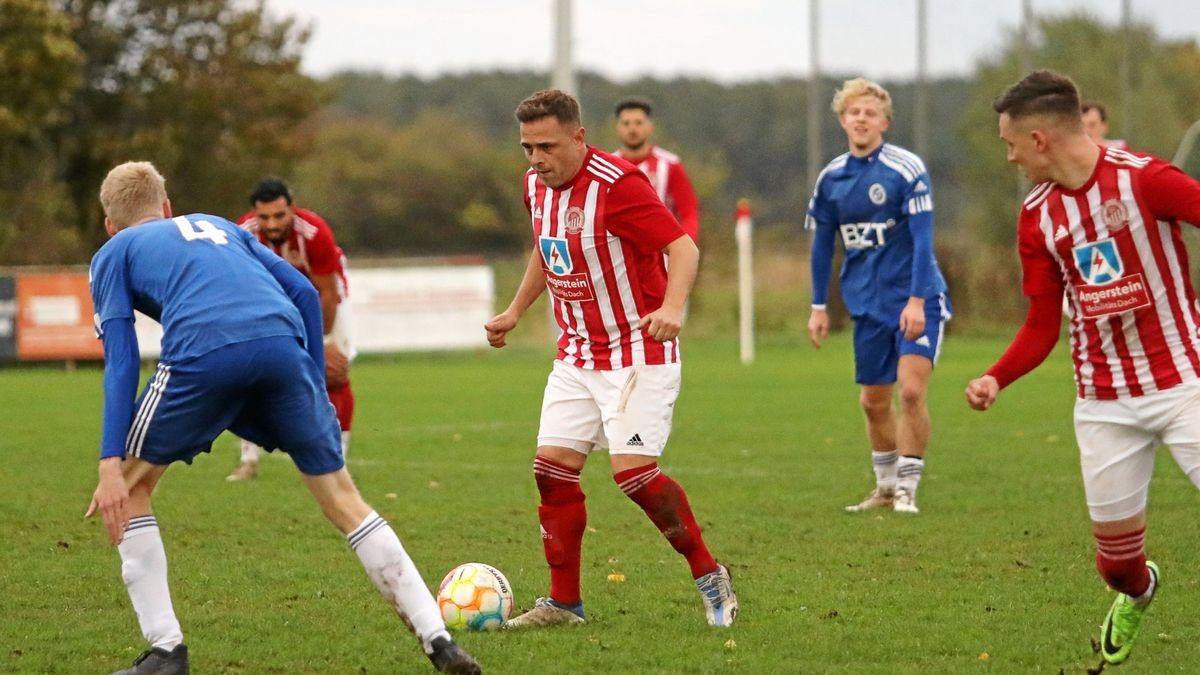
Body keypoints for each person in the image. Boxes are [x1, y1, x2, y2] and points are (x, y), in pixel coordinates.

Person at [86, 161, 479, 675]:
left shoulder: (112, 252)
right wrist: (314, 385)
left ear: (109, 224)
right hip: (283, 352)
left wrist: (110, 463)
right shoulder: (222, 226)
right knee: (343, 498)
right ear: (166, 208)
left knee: (130, 489)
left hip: (202, 354)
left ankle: (165, 653)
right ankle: (437, 638)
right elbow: (301, 293)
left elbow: (120, 359)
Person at [966, 70, 1200, 666]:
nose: (1009, 155)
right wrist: (997, 375)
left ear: (1040, 138)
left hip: (1184, 385)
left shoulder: (1145, 179)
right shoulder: (1037, 217)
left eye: (1010, 142)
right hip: (1104, 404)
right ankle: (1139, 591)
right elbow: (1043, 322)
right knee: (1117, 568)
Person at [484, 89, 737, 628]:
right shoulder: (535, 184)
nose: (536, 158)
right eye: (527, 147)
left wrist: (672, 306)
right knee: (551, 473)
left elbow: (683, 248)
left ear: (578, 136)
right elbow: (544, 248)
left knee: (635, 476)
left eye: (546, 146)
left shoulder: (618, 185)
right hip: (577, 351)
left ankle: (710, 575)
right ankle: (564, 605)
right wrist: (514, 311)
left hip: (636, 349)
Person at [806, 77, 952, 515]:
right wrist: (818, 306)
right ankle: (885, 488)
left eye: (870, 112)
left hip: (916, 299)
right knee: (873, 401)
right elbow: (821, 246)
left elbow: (924, 241)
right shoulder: (832, 179)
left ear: (884, 121)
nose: (862, 119)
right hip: (865, 305)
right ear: (843, 121)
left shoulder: (906, 169)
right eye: (854, 112)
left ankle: (908, 486)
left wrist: (915, 299)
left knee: (909, 392)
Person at [226, 178, 355, 481]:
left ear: (292, 209)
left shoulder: (314, 232)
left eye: (279, 215)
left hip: (327, 298)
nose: (271, 224)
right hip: (270, 301)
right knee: (249, 373)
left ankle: (338, 462)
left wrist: (321, 341)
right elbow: (242, 292)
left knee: (334, 371)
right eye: (264, 217)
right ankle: (248, 460)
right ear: (254, 214)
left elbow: (326, 292)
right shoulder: (242, 234)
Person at [612, 97, 700, 244]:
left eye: (638, 123)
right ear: (618, 128)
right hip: (621, 258)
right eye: (626, 123)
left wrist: (685, 247)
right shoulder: (608, 165)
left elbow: (689, 212)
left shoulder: (670, 164)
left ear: (650, 127)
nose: (632, 129)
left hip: (662, 256)